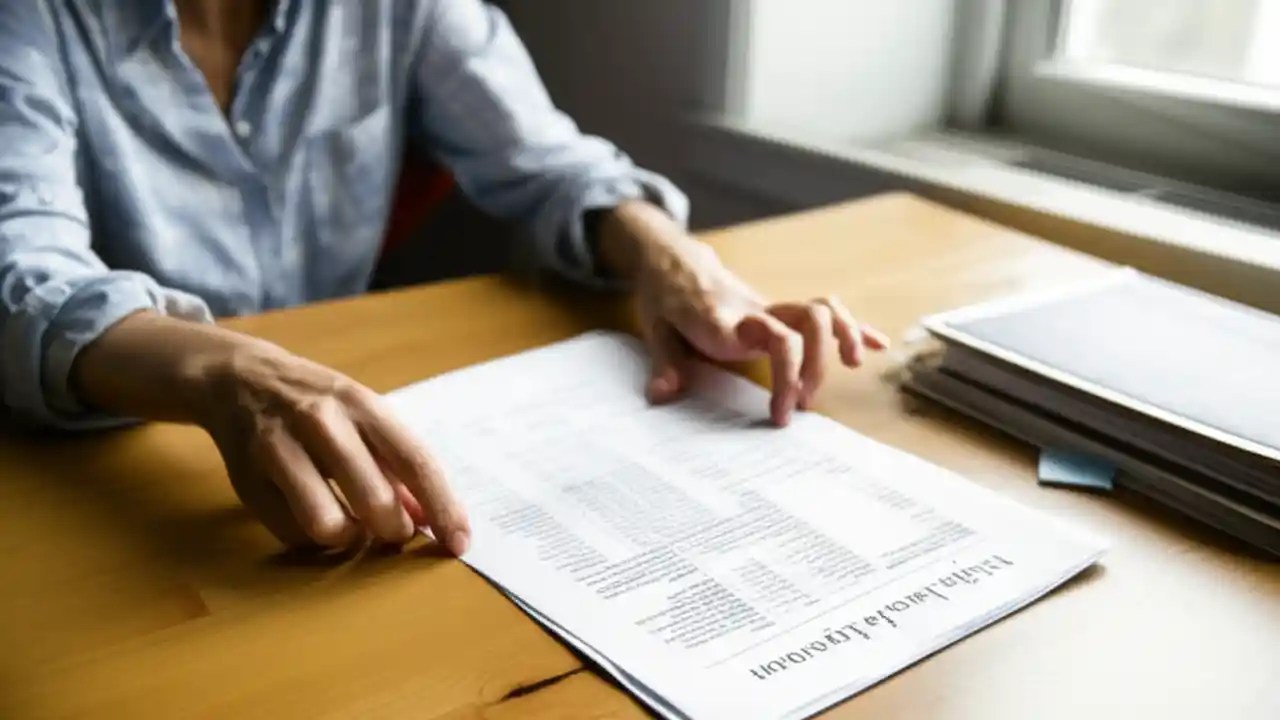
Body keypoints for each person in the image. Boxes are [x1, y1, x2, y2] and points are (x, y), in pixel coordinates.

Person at [0, 0, 888, 555]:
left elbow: (547, 162)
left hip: (342, 461)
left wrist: (678, 263)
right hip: (100, 463)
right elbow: (20, 264)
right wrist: (228, 369)